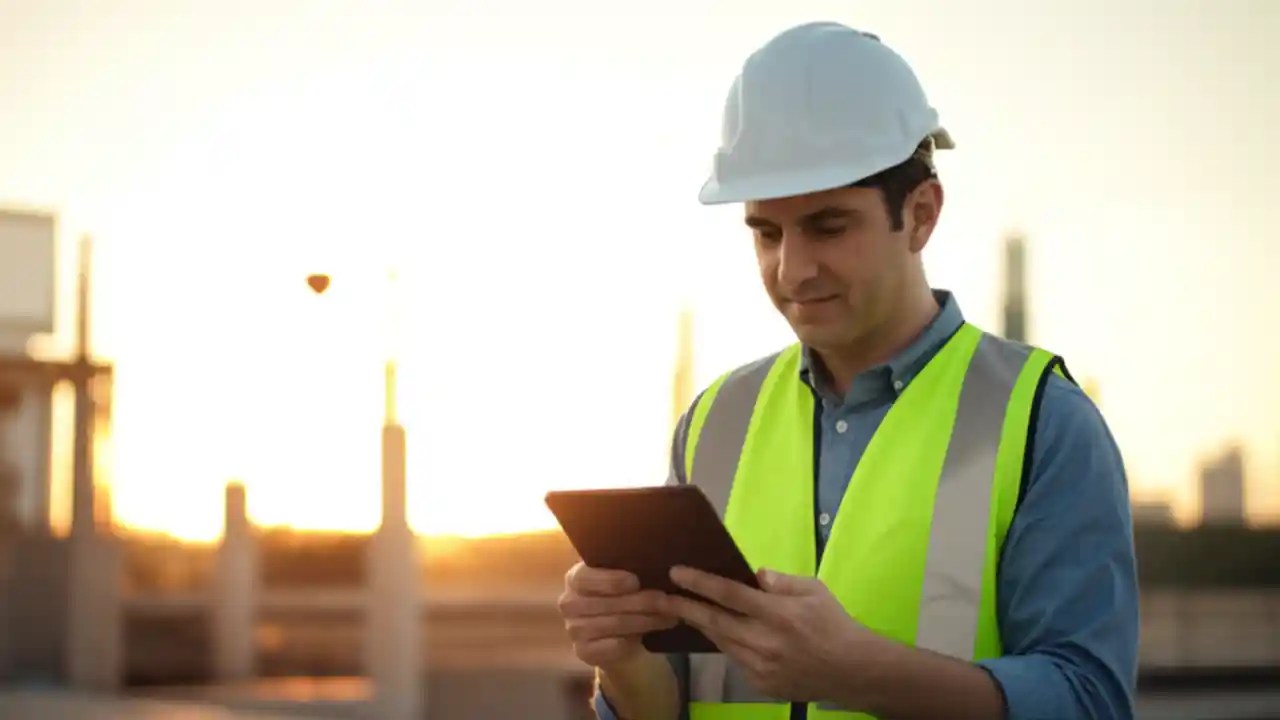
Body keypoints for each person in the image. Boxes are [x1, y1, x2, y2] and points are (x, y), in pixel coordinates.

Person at [557, 21, 1138, 720]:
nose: (792, 270)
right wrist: (623, 661)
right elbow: (671, 706)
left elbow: (1089, 702)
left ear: (920, 215)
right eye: (767, 233)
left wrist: (856, 673)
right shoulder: (713, 422)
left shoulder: (1043, 422)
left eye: (828, 227)